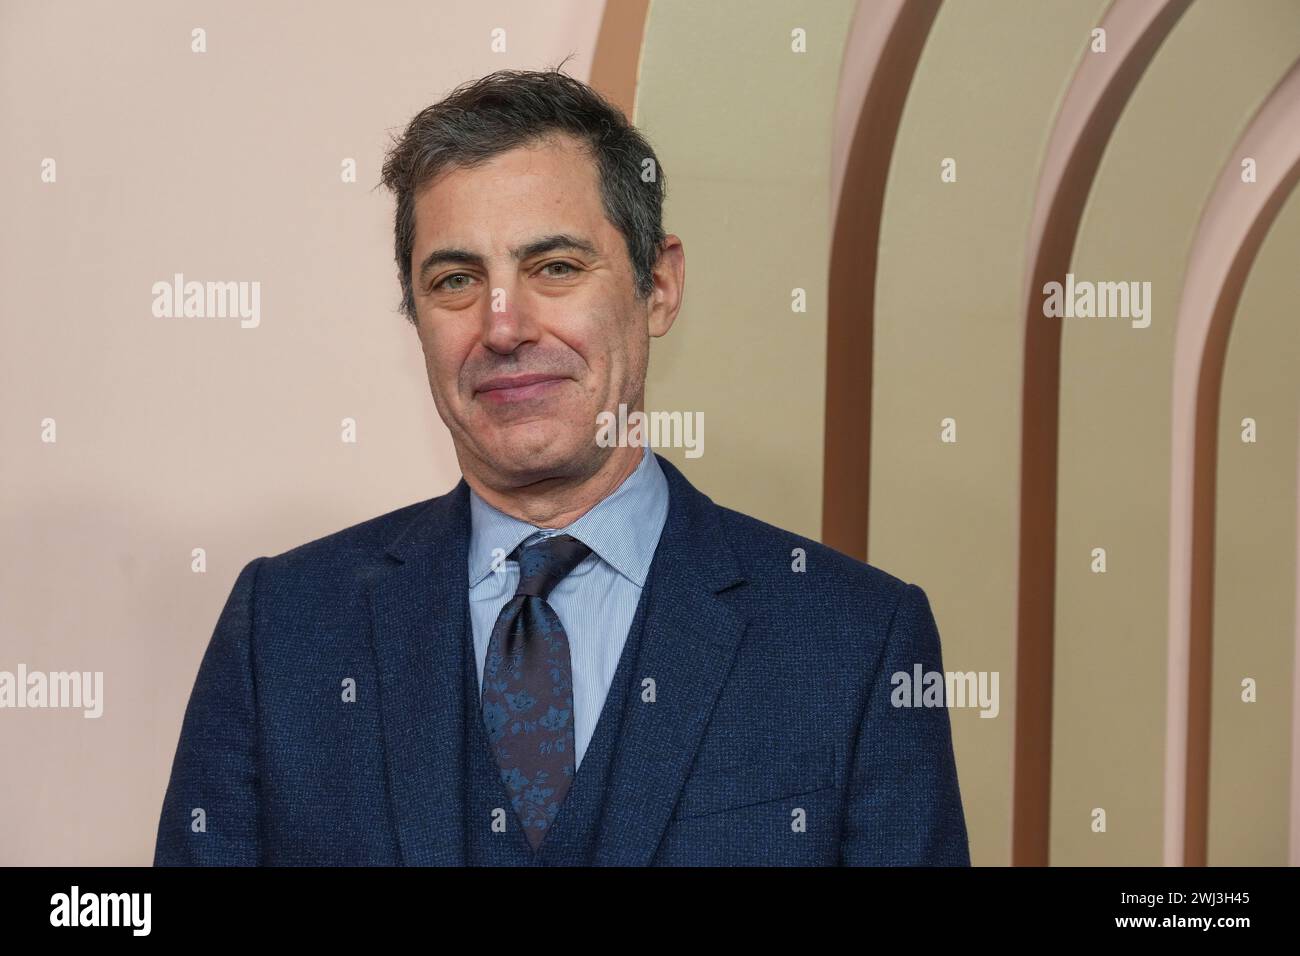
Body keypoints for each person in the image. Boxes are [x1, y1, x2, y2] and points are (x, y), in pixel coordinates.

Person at [154, 67, 970, 866]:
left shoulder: (853, 641)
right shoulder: (285, 629)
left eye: (555, 268)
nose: (502, 327)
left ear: (658, 285)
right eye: (456, 280)